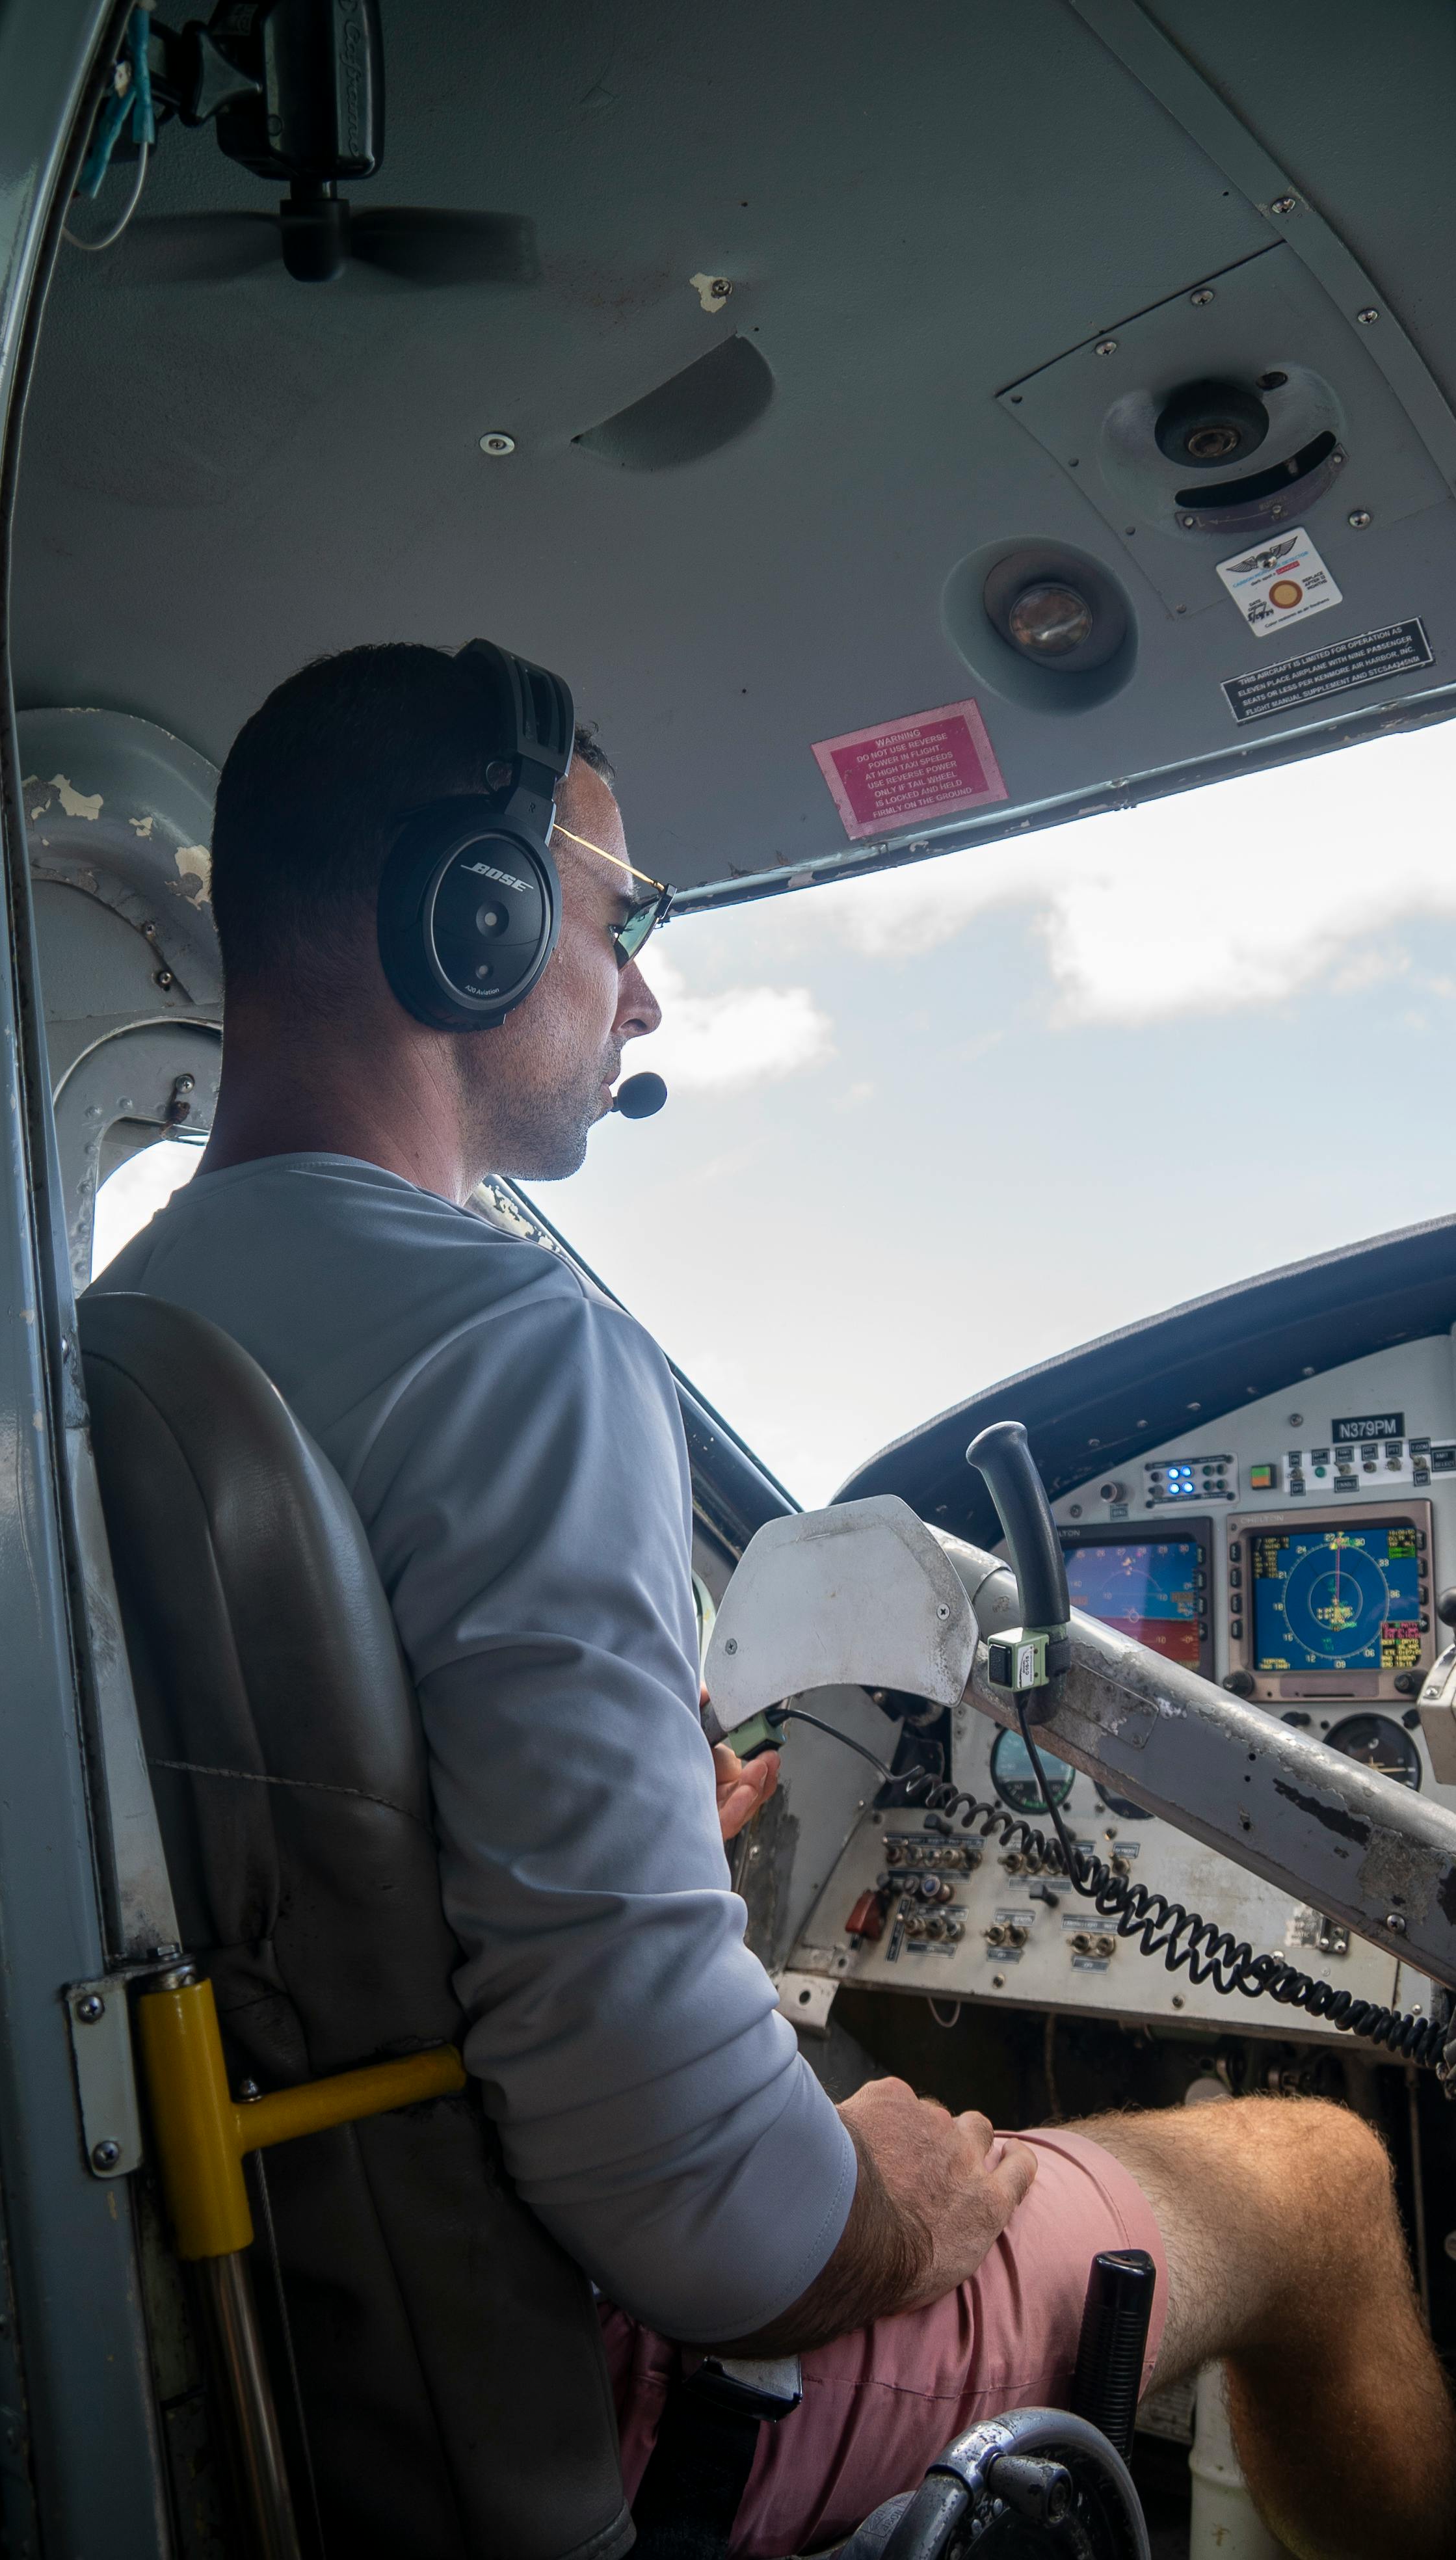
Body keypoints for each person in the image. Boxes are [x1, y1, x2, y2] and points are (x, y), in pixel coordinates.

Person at [92, 641, 1455, 2559]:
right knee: (1312, 2177)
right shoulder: (510, 1347)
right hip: (582, 2385)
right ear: (467, 913)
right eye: (622, 911)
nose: (644, 986)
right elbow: (705, 2216)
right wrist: (891, 2194)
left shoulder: (123, 1332)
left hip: (285, 2321)